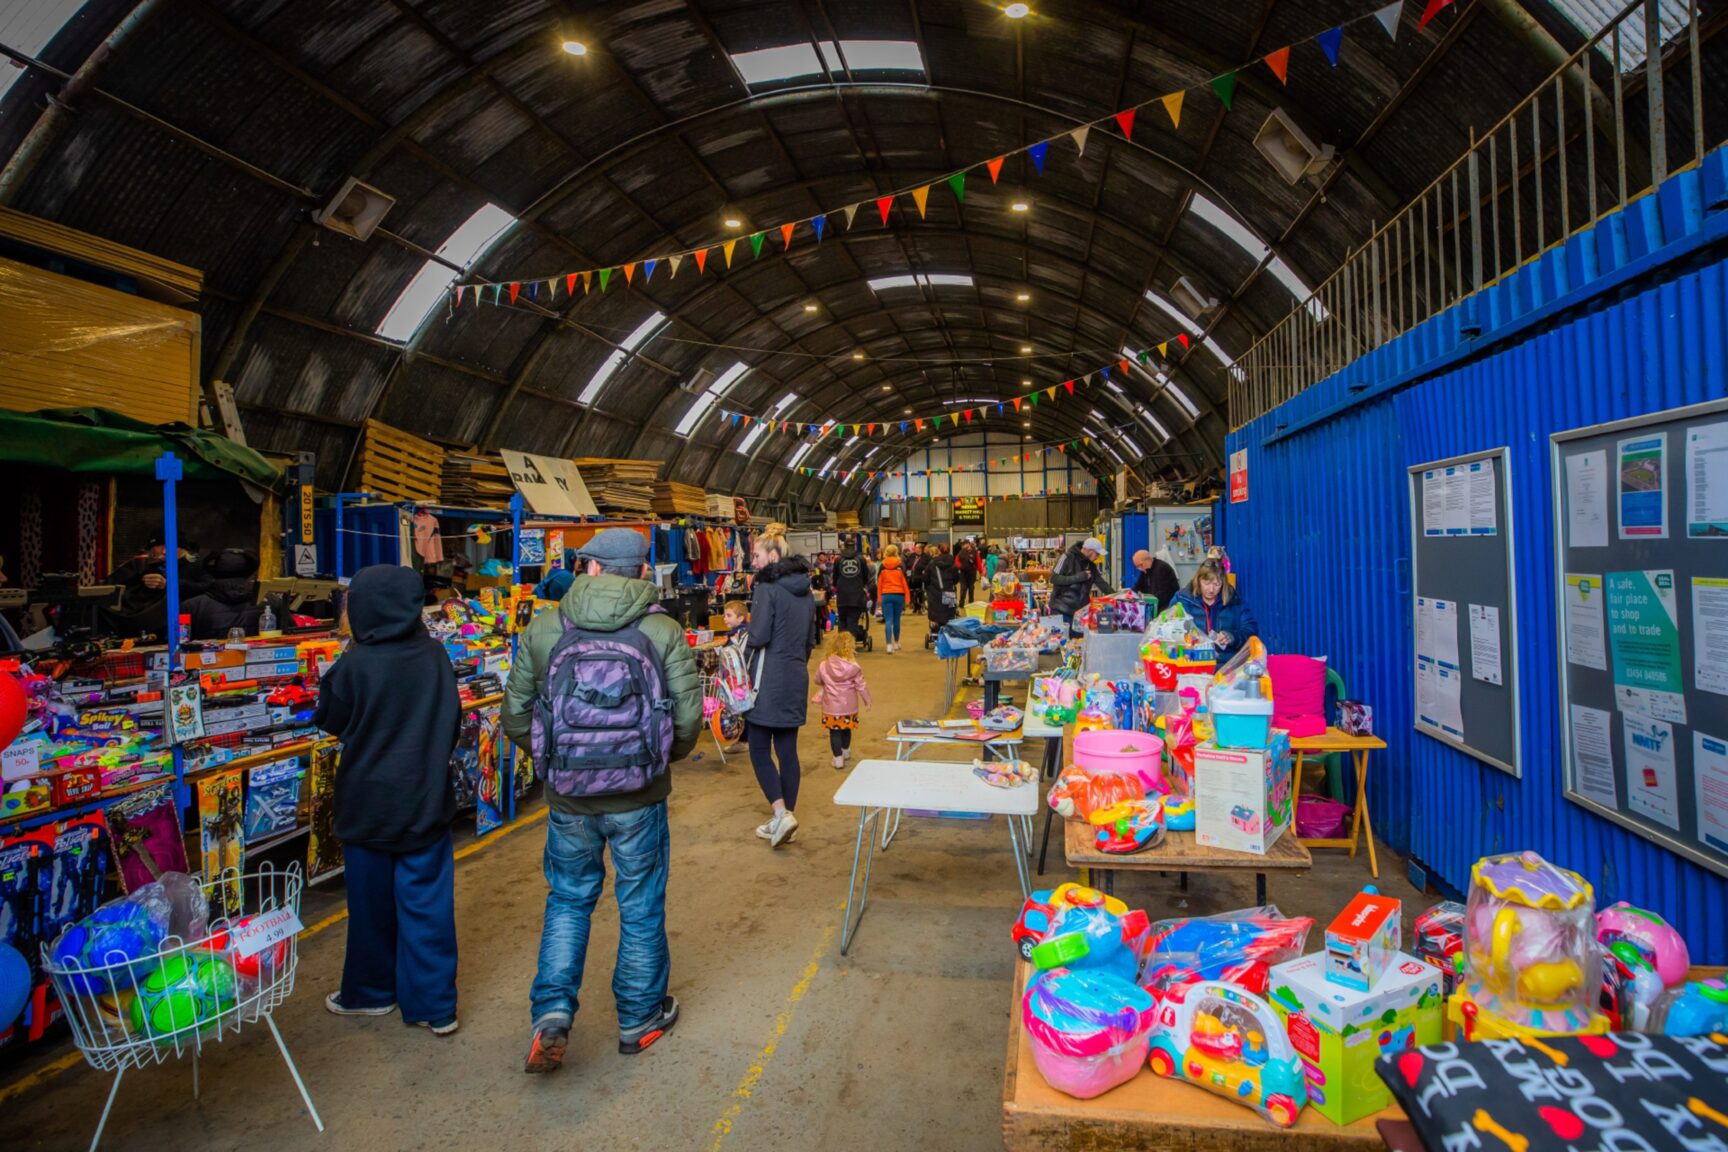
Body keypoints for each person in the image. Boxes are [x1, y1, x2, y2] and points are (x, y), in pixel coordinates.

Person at [502, 528, 702, 1073]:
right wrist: (653, 762)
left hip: (569, 798)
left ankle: (551, 1017)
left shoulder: (545, 627)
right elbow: (687, 722)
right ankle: (639, 1020)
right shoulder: (662, 629)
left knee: (568, 899)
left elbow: (515, 716)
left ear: (589, 567)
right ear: (642, 572)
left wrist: (556, 761)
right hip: (640, 796)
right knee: (639, 903)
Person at [315, 565, 463, 1036]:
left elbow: (331, 720)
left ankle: (371, 992)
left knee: (370, 907)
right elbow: (453, 721)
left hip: (367, 805)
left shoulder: (354, 666)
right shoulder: (436, 656)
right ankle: (435, 1007)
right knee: (428, 907)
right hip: (425, 798)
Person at [742, 523, 815, 847]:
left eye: (756, 555)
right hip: (796, 675)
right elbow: (810, 641)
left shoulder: (765, 589)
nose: (753, 562)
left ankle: (780, 813)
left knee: (758, 749)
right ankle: (785, 818)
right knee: (787, 751)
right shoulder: (807, 591)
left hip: (767, 678)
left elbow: (758, 636)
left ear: (772, 555)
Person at [181, 549, 286, 640]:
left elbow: (178, 642)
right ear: (249, 573)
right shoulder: (273, 601)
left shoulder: (191, 607)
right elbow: (291, 636)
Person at [1174, 558, 1259, 663]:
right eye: (1206, 583)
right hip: (1191, 661)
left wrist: (1233, 636)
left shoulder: (1234, 600)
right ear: (1198, 580)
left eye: (1216, 584)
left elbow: (1251, 629)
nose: (1211, 589)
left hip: (1226, 664)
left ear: (1223, 583)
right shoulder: (1182, 599)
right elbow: (1169, 627)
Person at [813, 631, 872, 769]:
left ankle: (837, 758)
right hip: (849, 707)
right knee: (846, 729)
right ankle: (846, 751)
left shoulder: (824, 665)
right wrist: (867, 700)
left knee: (834, 732)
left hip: (831, 707)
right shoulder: (854, 667)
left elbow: (817, 680)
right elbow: (861, 685)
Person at [1047, 537, 1112, 634]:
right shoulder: (1066, 557)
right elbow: (1053, 578)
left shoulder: (1091, 566)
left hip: (1080, 614)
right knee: (1061, 644)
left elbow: (1103, 585)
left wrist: (1119, 596)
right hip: (1061, 611)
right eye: (1097, 554)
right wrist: (1078, 577)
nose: (1097, 557)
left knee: (1078, 645)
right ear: (1089, 551)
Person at [831, 537, 873, 647]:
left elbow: (834, 578)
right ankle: (850, 647)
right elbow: (866, 577)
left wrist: (838, 587)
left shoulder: (838, 560)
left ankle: (842, 646)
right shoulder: (861, 559)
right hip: (856, 596)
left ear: (844, 546)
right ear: (854, 546)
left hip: (842, 597)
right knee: (853, 622)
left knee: (842, 621)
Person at [875, 544, 910, 652]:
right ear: (896, 552)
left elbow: (879, 582)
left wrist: (879, 597)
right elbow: (905, 581)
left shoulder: (882, 565)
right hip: (899, 595)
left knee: (888, 620)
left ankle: (888, 645)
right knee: (896, 620)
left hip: (886, 595)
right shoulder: (901, 564)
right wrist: (907, 597)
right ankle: (896, 643)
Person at [924, 543, 960, 637]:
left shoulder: (932, 563)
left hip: (935, 593)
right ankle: (947, 632)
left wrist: (929, 587)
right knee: (949, 613)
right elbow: (956, 579)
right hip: (949, 592)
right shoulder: (953, 564)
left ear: (939, 551)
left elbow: (926, 578)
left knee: (936, 613)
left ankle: (936, 632)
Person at [907, 543, 930, 615]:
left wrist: (925, 570)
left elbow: (929, 566)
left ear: (921, 549)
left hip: (921, 578)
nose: (916, 549)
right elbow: (908, 565)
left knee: (920, 593)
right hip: (911, 577)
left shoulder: (926, 557)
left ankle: (920, 607)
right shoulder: (911, 556)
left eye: (918, 548)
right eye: (915, 548)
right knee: (912, 592)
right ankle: (915, 606)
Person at [956, 539, 979, 606]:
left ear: (969, 544)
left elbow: (978, 561)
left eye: (966, 544)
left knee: (971, 588)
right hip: (963, 573)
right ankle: (961, 603)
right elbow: (957, 561)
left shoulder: (975, 552)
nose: (965, 545)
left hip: (972, 573)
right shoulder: (960, 552)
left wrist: (981, 571)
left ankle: (971, 603)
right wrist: (960, 566)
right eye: (964, 544)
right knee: (963, 588)